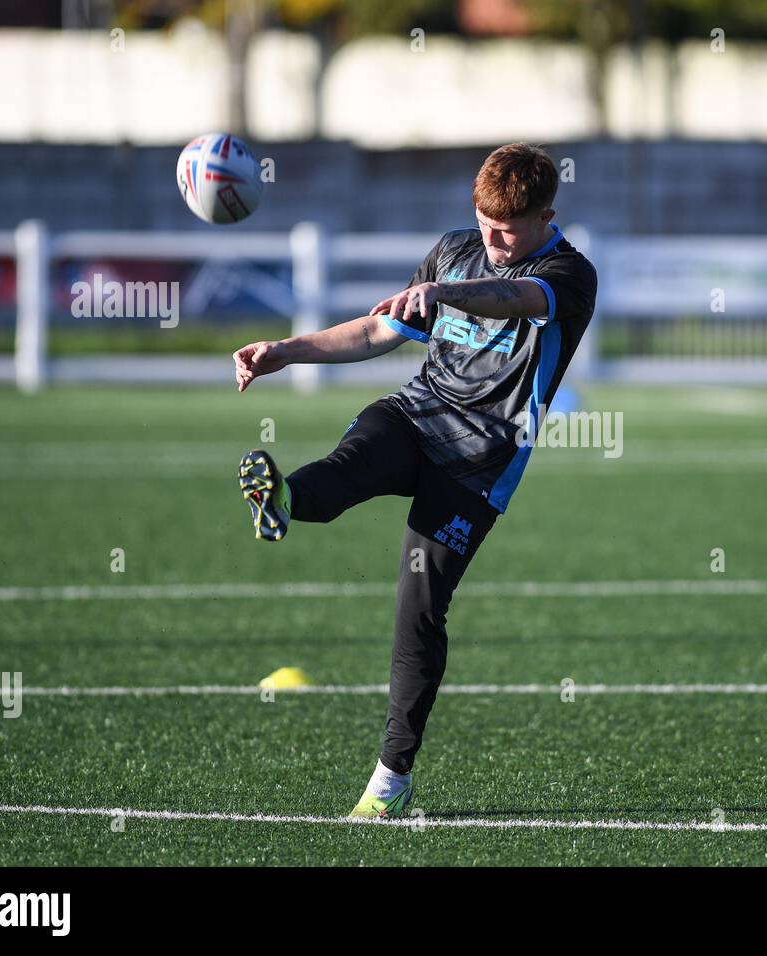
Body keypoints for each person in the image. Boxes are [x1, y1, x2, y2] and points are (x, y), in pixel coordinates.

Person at [231, 143, 597, 817]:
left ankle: (390, 781)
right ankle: (285, 499)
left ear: (547, 215)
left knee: (418, 612)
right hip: (418, 412)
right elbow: (377, 329)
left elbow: (518, 298)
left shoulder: (569, 274)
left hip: (478, 464)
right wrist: (286, 350)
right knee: (354, 459)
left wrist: (444, 293)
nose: (494, 238)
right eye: (485, 222)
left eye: (510, 227)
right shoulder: (454, 249)